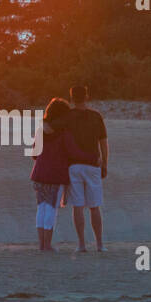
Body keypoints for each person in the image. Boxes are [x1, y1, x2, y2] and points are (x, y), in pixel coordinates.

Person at [30, 98, 98, 251]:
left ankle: (42, 244)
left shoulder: (41, 130)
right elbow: (74, 153)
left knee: (41, 208)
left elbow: (34, 154)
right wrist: (93, 157)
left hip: (39, 175)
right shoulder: (64, 133)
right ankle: (47, 244)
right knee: (51, 210)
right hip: (55, 176)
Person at [66, 85, 108, 252]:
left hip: (74, 166)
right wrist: (105, 163)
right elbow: (103, 143)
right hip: (92, 165)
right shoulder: (96, 116)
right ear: (86, 97)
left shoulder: (67, 117)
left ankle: (81, 244)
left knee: (77, 206)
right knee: (94, 206)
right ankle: (99, 244)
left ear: (71, 98)